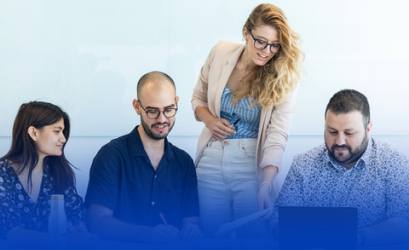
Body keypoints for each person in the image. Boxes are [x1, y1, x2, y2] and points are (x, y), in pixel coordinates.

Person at [191, 3, 303, 237]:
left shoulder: (284, 76)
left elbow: (277, 135)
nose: (266, 50)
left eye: (274, 45)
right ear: (246, 33)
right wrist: (210, 120)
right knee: (213, 235)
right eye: (260, 41)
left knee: (252, 236)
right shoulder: (220, 51)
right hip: (211, 159)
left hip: (251, 164)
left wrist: (265, 185)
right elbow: (198, 98)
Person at [272, 89, 409, 247]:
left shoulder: (393, 163)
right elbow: (278, 217)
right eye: (332, 132)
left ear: (368, 129)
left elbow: (404, 222)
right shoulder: (303, 164)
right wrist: (287, 231)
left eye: (349, 133)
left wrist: (356, 238)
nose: (339, 141)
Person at [85, 71, 202, 243]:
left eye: (169, 110)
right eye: (152, 111)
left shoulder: (184, 162)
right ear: (137, 106)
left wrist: (193, 232)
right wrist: (147, 234)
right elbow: (97, 222)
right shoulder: (111, 156)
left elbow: (191, 222)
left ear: (177, 103)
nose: (162, 119)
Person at [0, 101, 93, 246]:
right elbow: (12, 233)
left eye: (63, 132)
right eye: (57, 131)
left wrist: (78, 230)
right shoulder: (2, 174)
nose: (63, 138)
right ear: (33, 133)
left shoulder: (58, 173)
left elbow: (77, 217)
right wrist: (66, 240)